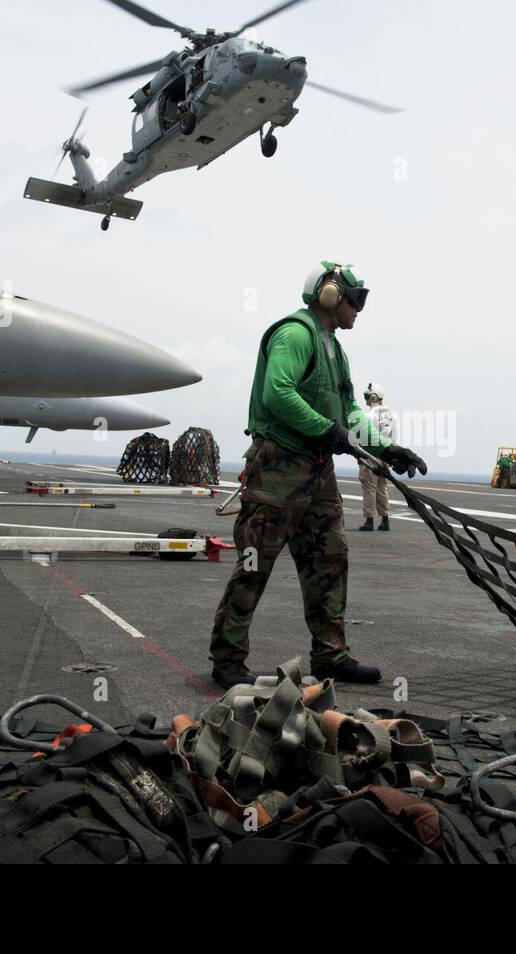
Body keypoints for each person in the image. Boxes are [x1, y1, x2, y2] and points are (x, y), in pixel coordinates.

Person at [208, 261, 428, 689]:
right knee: (254, 565)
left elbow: (349, 412)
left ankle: (330, 655)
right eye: (357, 299)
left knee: (329, 560)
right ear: (332, 295)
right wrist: (329, 431)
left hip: (316, 472)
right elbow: (278, 394)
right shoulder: (295, 334)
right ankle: (227, 659)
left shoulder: (334, 348)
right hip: (278, 469)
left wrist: (384, 448)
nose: (359, 309)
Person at [357, 383, 395, 531]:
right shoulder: (390, 415)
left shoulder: (368, 415)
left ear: (373, 397)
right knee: (381, 488)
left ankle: (369, 520)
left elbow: (362, 436)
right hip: (385, 455)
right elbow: (393, 436)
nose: (366, 399)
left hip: (370, 455)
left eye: (367, 396)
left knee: (369, 487)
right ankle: (385, 520)